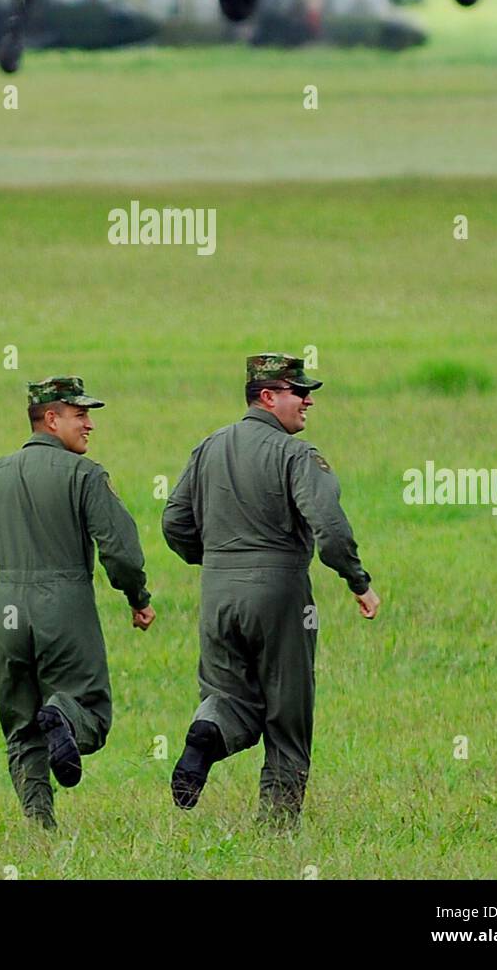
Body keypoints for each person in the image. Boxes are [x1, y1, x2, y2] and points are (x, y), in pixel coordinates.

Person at [0, 376, 155, 830]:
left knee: (20, 726)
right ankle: (62, 716)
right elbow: (121, 550)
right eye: (80, 414)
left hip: (8, 609)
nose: (89, 424)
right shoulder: (86, 476)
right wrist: (136, 597)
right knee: (87, 710)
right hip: (64, 604)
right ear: (51, 419)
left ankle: (39, 828)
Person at [162, 353, 379, 824]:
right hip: (280, 594)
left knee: (227, 696)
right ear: (268, 397)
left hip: (217, 591)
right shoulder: (296, 455)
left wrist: (219, 561)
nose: (308, 402)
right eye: (299, 392)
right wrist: (357, 581)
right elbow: (331, 527)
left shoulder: (208, 447)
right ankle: (277, 827)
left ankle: (205, 732)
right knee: (287, 711)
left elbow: (175, 523)